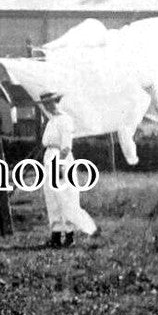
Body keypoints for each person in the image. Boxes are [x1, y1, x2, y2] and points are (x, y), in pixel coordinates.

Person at [37, 91, 96, 247]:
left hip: (61, 159)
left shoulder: (65, 120)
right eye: (46, 104)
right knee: (52, 197)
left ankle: (69, 236)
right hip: (49, 158)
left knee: (65, 196)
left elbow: (66, 146)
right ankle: (56, 235)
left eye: (52, 102)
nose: (49, 106)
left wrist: (60, 165)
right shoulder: (51, 121)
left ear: (58, 101)